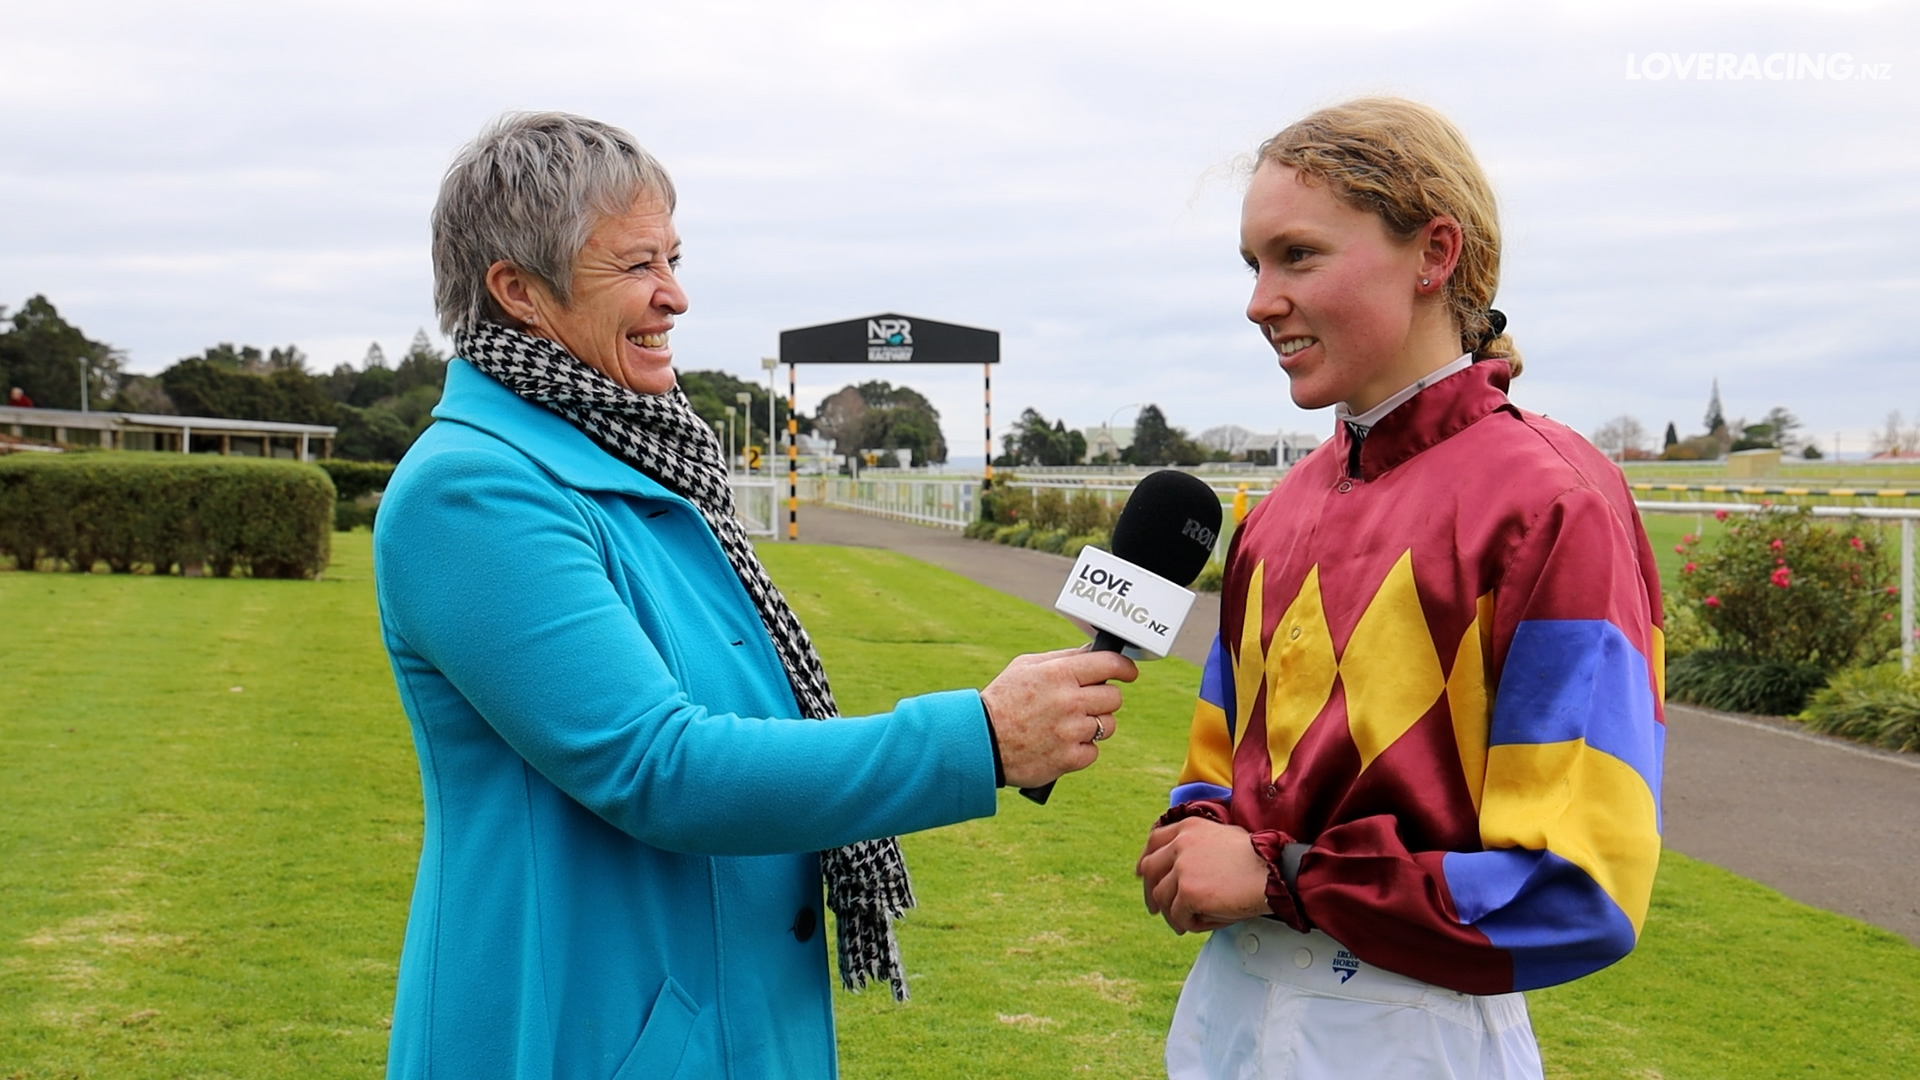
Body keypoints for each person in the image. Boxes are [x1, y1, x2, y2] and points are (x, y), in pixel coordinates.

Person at [374, 111, 1137, 1080]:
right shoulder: (473, 492)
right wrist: (976, 739)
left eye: (675, 257)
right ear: (519, 291)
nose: (675, 296)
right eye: (638, 265)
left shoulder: (644, 459)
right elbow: (661, 766)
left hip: (717, 1029)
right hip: (577, 1034)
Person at [1136, 97, 1664, 1079]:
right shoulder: (1275, 513)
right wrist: (1196, 833)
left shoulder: (1553, 502)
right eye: (1253, 265)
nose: (1259, 301)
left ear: (1434, 254)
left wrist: (1282, 876)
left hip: (1412, 1038)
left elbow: (1579, 888)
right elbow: (1216, 776)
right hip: (1222, 1020)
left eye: (1297, 256)